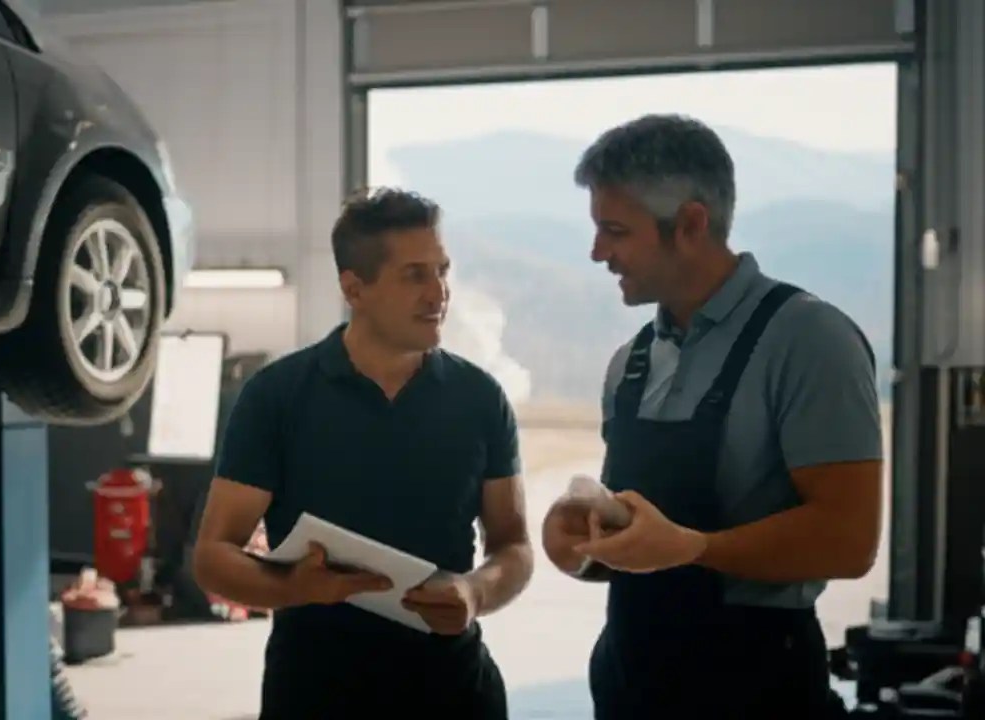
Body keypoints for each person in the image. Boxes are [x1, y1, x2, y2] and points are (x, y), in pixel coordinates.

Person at [541, 114, 883, 719]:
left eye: (615, 231)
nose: (598, 253)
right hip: (629, 689)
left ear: (692, 224)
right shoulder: (631, 362)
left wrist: (693, 547)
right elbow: (645, 543)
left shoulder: (809, 339)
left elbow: (849, 540)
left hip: (755, 692)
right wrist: (587, 549)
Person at [193, 188, 533, 720]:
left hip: (454, 693)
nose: (439, 292)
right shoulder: (276, 396)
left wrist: (473, 593)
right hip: (313, 695)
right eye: (414, 275)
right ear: (355, 288)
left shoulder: (481, 399)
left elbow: (513, 547)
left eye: (442, 270)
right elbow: (213, 555)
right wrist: (293, 586)